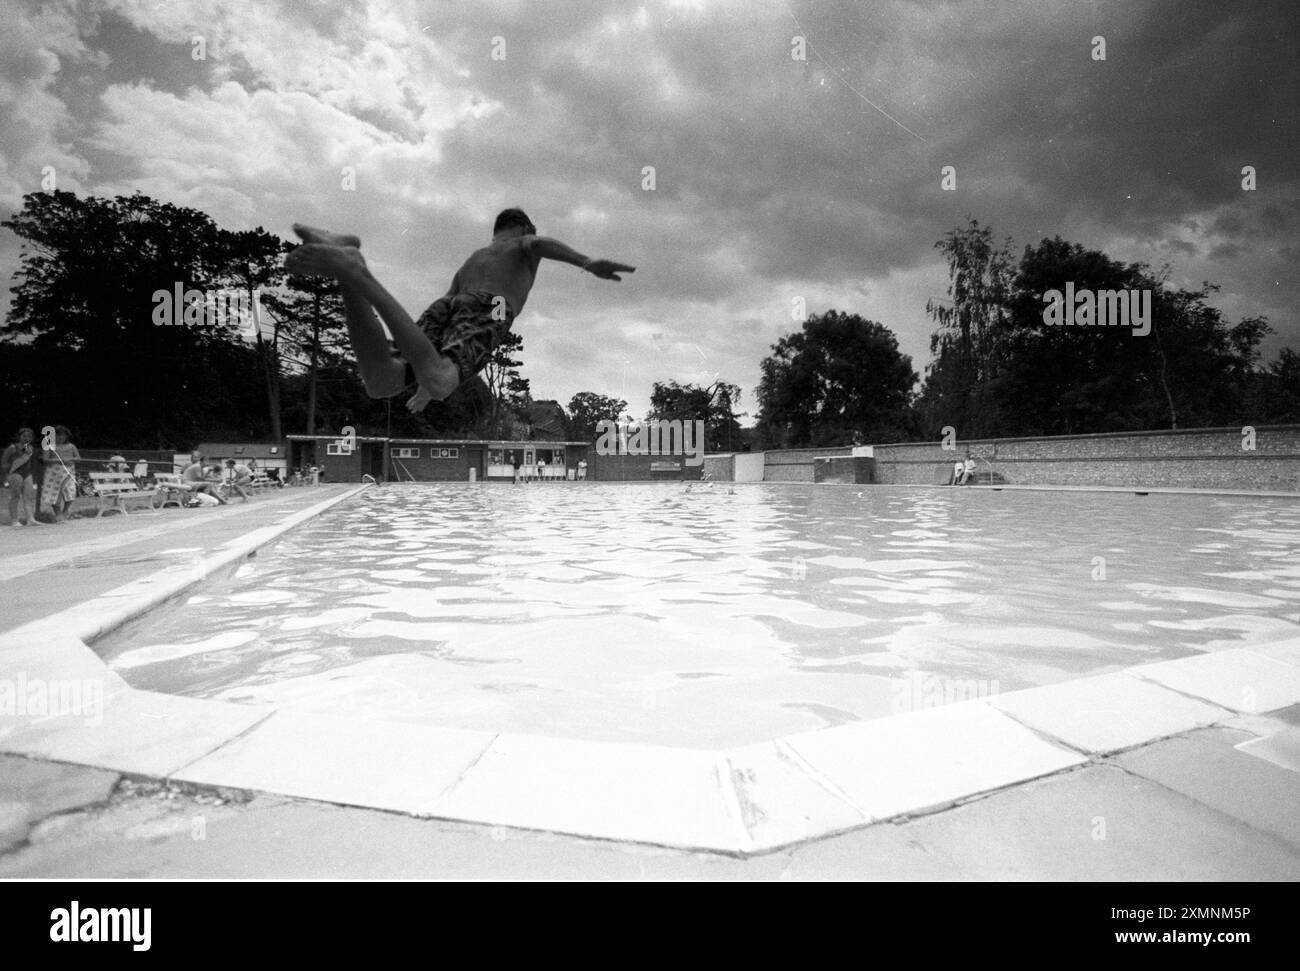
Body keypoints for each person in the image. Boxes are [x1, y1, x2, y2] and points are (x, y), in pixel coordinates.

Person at [284, 211, 634, 413]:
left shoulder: (475, 258)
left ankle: (347, 272)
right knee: (439, 381)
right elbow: (540, 245)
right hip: (492, 307)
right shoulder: (523, 244)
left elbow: (446, 314)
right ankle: (357, 269)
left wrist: (424, 375)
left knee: (382, 381)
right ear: (525, 228)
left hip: (450, 302)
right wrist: (587, 262)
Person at [41, 426, 81, 522]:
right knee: (54, 493)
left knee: (70, 492)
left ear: (66, 436)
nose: (60, 437)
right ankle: (58, 513)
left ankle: (65, 511)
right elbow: (45, 459)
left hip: (68, 471)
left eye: (62, 435)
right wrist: (60, 460)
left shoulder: (71, 446)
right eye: (57, 435)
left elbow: (78, 458)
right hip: (54, 473)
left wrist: (70, 460)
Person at [4, 427, 42, 527]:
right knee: (15, 496)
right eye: (24, 436)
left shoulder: (30, 448)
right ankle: (14, 520)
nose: (27, 438)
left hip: (27, 474)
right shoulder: (13, 447)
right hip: (15, 473)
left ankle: (30, 519)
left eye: (30, 436)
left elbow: (30, 462)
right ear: (19, 437)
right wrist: (7, 474)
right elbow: (4, 462)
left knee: (28, 497)